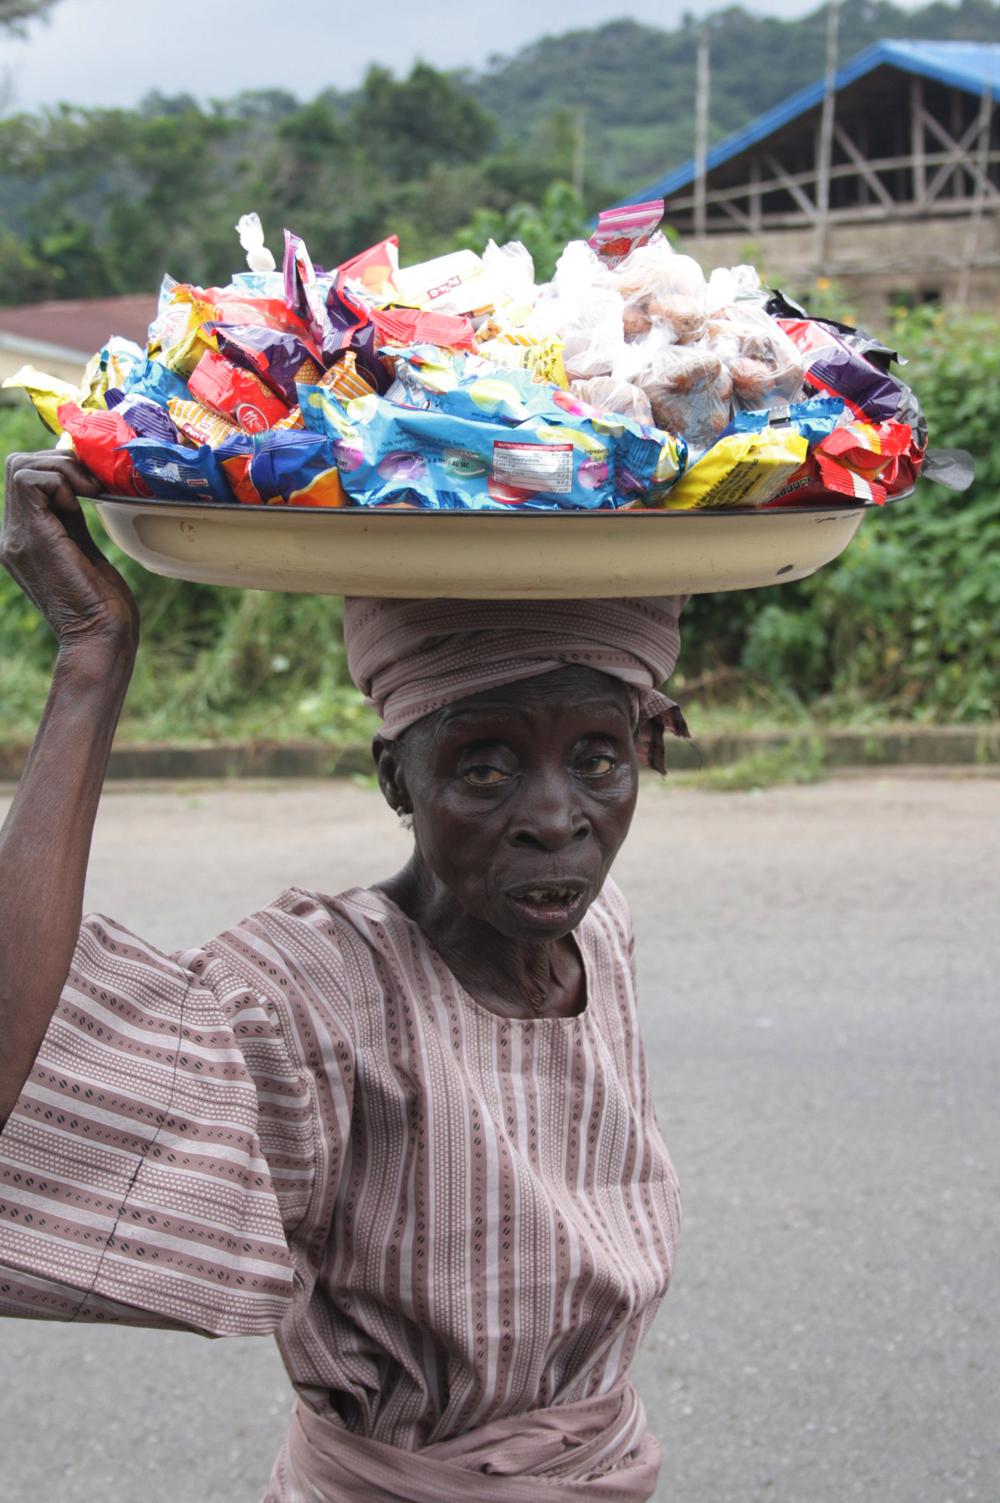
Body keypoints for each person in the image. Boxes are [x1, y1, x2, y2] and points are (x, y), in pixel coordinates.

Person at [0, 451, 687, 1503]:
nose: (556, 819)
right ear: (394, 780)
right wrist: (94, 657)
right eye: (485, 766)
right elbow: (20, 1088)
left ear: (645, 746)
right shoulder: (317, 994)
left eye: (596, 757)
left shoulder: (602, 938)